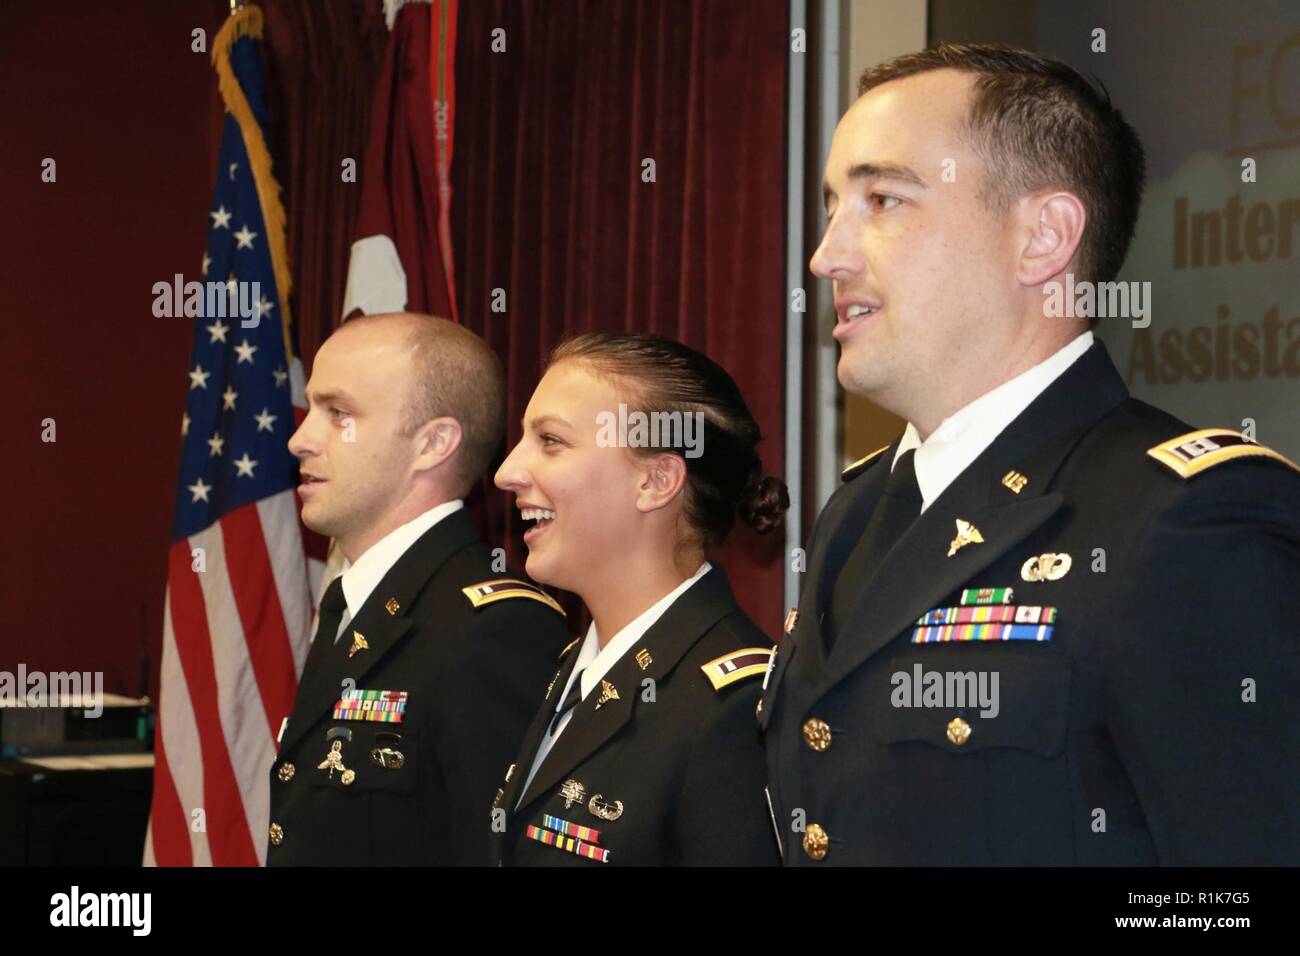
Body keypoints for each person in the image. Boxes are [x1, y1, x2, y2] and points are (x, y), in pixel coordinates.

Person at [759, 43, 1300, 865]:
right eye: (834, 203)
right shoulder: (860, 508)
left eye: (882, 199)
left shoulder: (1187, 521)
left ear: (1042, 238)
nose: (826, 254)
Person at [269, 312, 570, 865]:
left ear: (433, 444)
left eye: (339, 414)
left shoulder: (492, 630)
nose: (299, 439)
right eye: (312, 409)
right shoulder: (351, 603)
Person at [490, 332, 786, 865]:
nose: (507, 472)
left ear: (655, 481)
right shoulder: (577, 669)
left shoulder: (732, 708)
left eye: (550, 440)